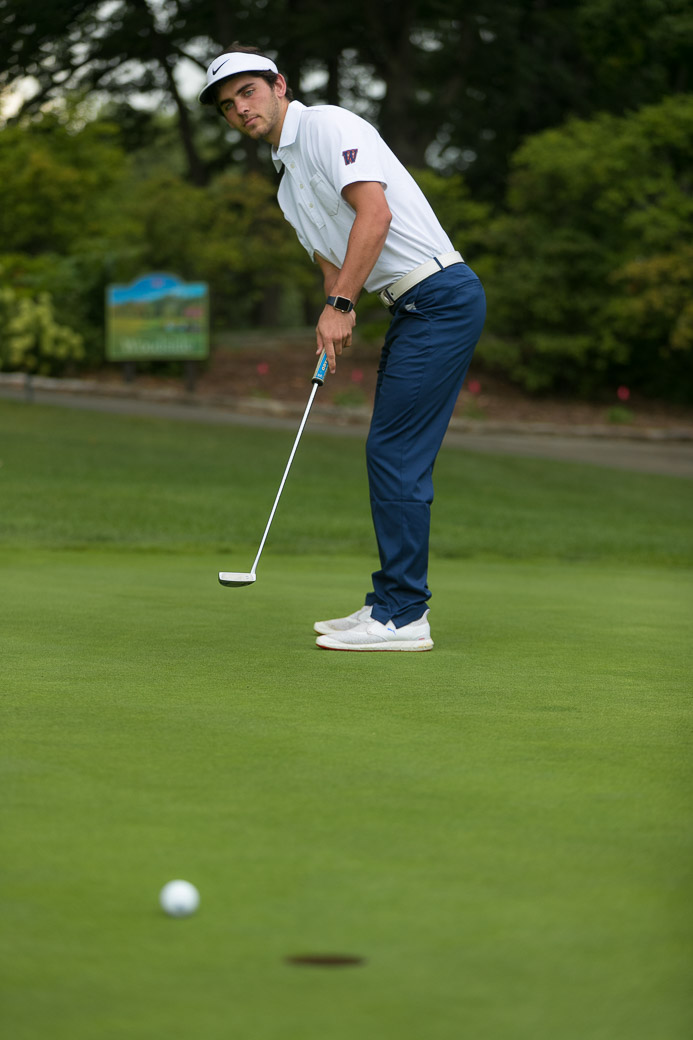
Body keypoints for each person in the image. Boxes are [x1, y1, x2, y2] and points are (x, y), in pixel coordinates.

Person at [199, 45, 486, 652]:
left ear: (279, 85)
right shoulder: (285, 189)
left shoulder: (329, 125)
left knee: (394, 452)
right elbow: (334, 267)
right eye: (228, 105)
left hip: (441, 295)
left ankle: (404, 616)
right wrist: (333, 319)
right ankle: (388, 602)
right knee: (390, 451)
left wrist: (342, 307)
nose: (240, 109)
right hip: (411, 308)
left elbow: (374, 216)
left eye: (247, 92)